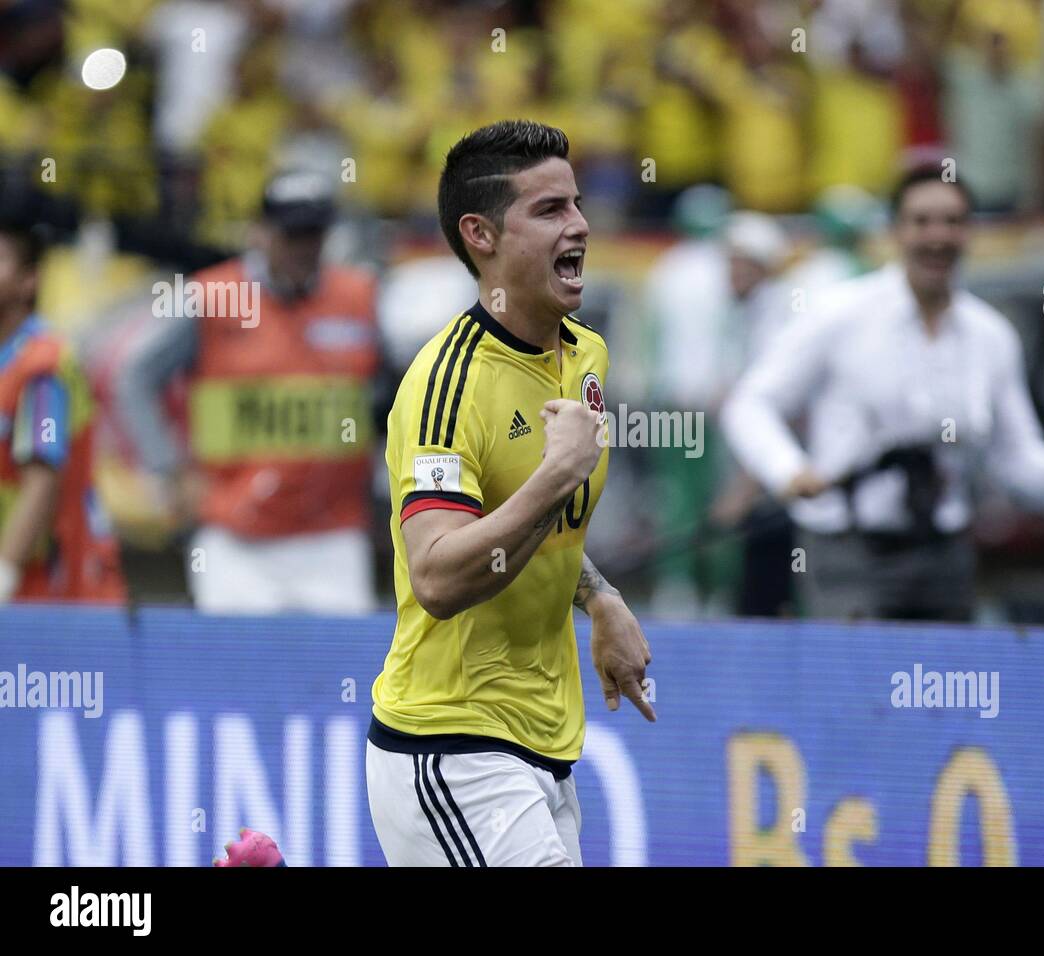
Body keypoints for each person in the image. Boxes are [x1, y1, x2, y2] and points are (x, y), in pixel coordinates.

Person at [366, 120, 654, 867]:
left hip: (543, 742)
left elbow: (540, 529)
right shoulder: (445, 386)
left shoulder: (583, 351)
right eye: (550, 209)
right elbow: (436, 576)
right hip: (451, 745)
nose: (582, 225)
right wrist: (556, 473)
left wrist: (599, 598)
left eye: (578, 204)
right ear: (480, 235)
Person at [722, 164, 1044, 621]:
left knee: (941, 687)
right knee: (855, 685)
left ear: (970, 233)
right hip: (848, 551)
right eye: (922, 221)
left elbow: (1018, 459)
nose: (938, 236)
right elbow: (750, 404)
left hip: (946, 553)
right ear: (896, 231)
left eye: (952, 222)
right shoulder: (840, 313)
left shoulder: (991, 335)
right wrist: (789, 470)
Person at [115, 169, 380, 614]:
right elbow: (135, 379)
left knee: (340, 675)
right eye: (292, 234)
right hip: (234, 538)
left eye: (314, 233)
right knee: (235, 676)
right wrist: (169, 469)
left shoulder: (359, 296)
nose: (305, 247)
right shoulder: (211, 297)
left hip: (334, 536)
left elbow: (391, 392)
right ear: (260, 233)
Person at [0, 220, 124, 605]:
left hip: (52, 587)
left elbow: (42, 481)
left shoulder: (43, 365)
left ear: (28, 281)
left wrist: (4, 573)